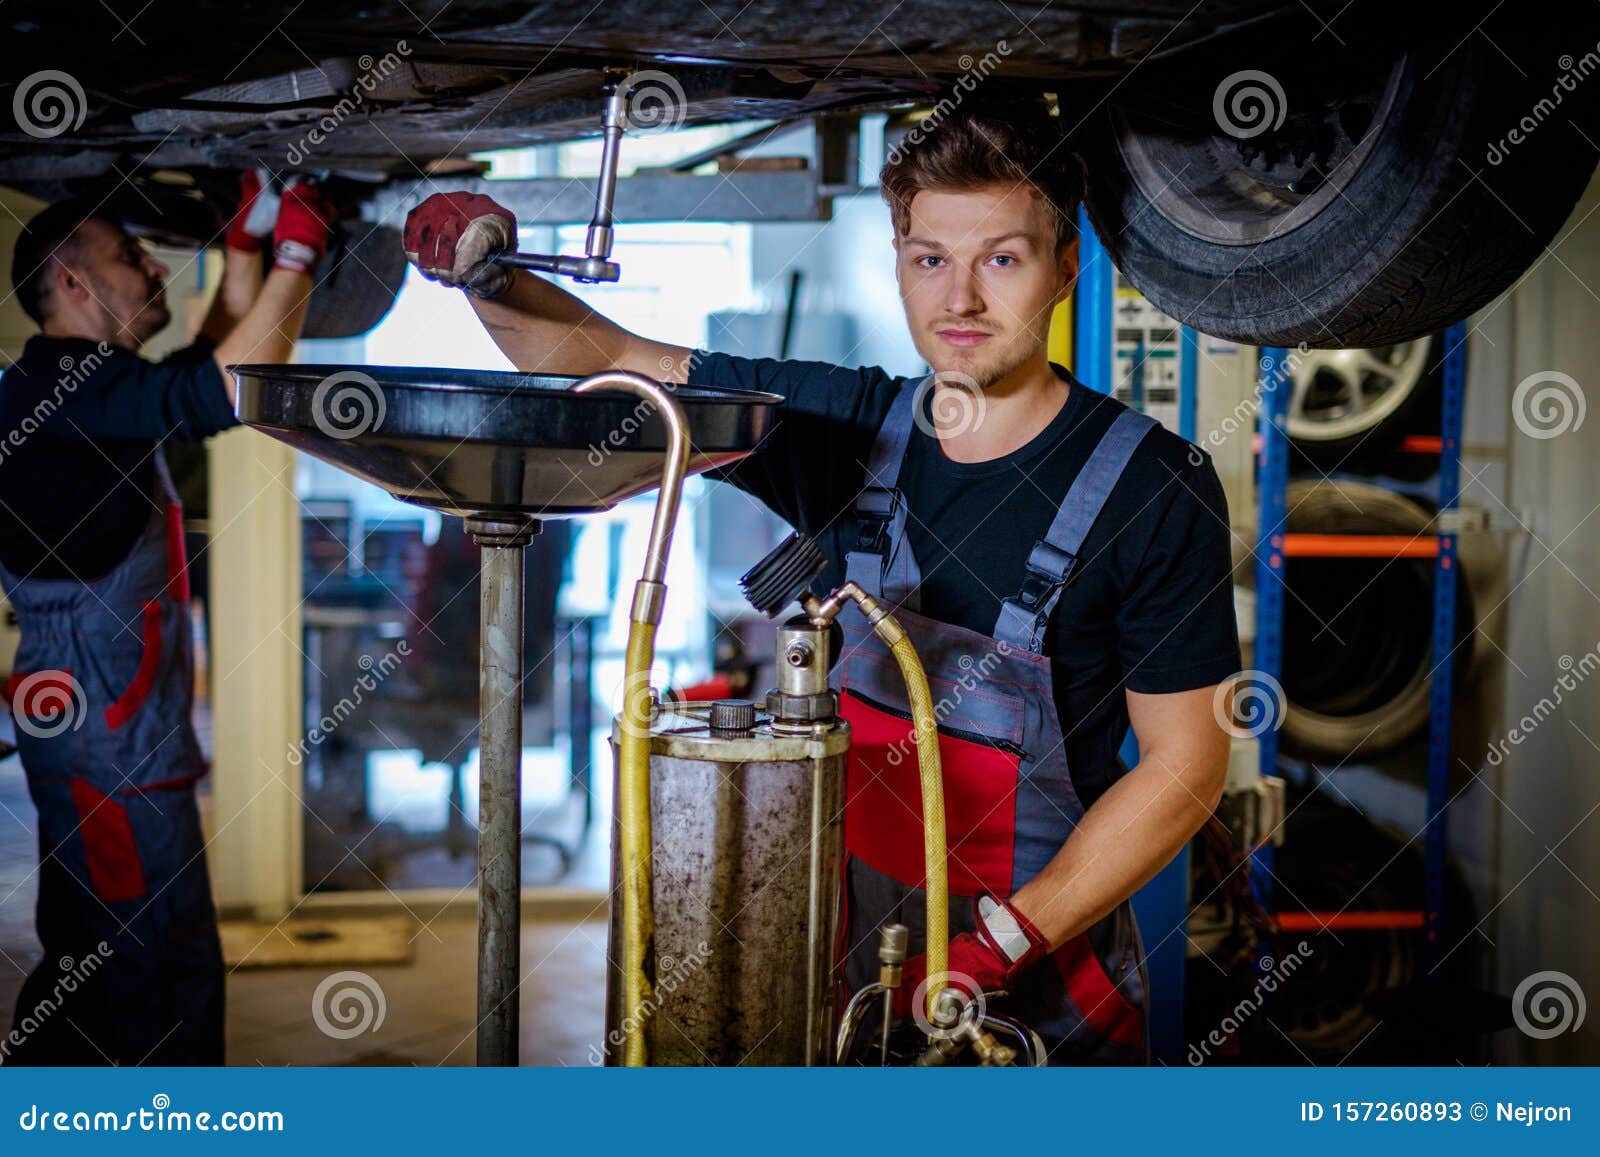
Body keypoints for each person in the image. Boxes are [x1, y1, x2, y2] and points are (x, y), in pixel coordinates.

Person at [402, 97, 1241, 1064]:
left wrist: (999, 942)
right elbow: (611, 360)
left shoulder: (1154, 485)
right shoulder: (847, 427)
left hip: (1049, 981)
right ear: (899, 260)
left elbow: (1185, 769)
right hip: (852, 964)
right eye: (931, 259)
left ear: (1064, 269)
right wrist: (484, 276)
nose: (960, 299)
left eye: (1000, 260)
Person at [0, 173, 335, 1065]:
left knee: (90, 953)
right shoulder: (69, 393)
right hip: (111, 736)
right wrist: (298, 254)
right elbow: (227, 391)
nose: (151, 268)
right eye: (128, 256)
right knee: (161, 967)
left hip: (86, 717)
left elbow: (202, 371)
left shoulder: (65, 385)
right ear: (73, 285)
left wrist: (248, 242)